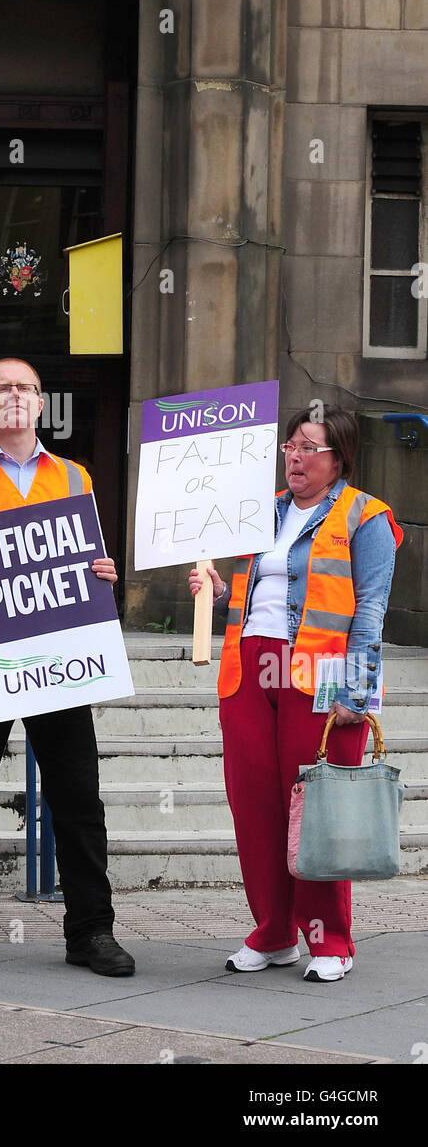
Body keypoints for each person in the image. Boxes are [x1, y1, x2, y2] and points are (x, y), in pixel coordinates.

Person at [0, 357, 134, 976]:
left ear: (42, 403)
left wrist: (102, 578)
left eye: (24, 388)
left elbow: (82, 565)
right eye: (1, 389)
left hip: (60, 661)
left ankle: (91, 931)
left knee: (78, 799)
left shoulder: (75, 479)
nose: (13, 396)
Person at [189, 405, 402, 982]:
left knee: (317, 812)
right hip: (247, 669)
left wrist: (357, 692)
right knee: (254, 805)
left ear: (339, 459)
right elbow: (251, 592)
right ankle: (275, 931)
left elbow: (371, 612)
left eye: (310, 447)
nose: (296, 456)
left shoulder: (366, 516)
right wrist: (211, 583)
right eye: (291, 445)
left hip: (320, 675)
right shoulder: (262, 512)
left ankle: (329, 939)